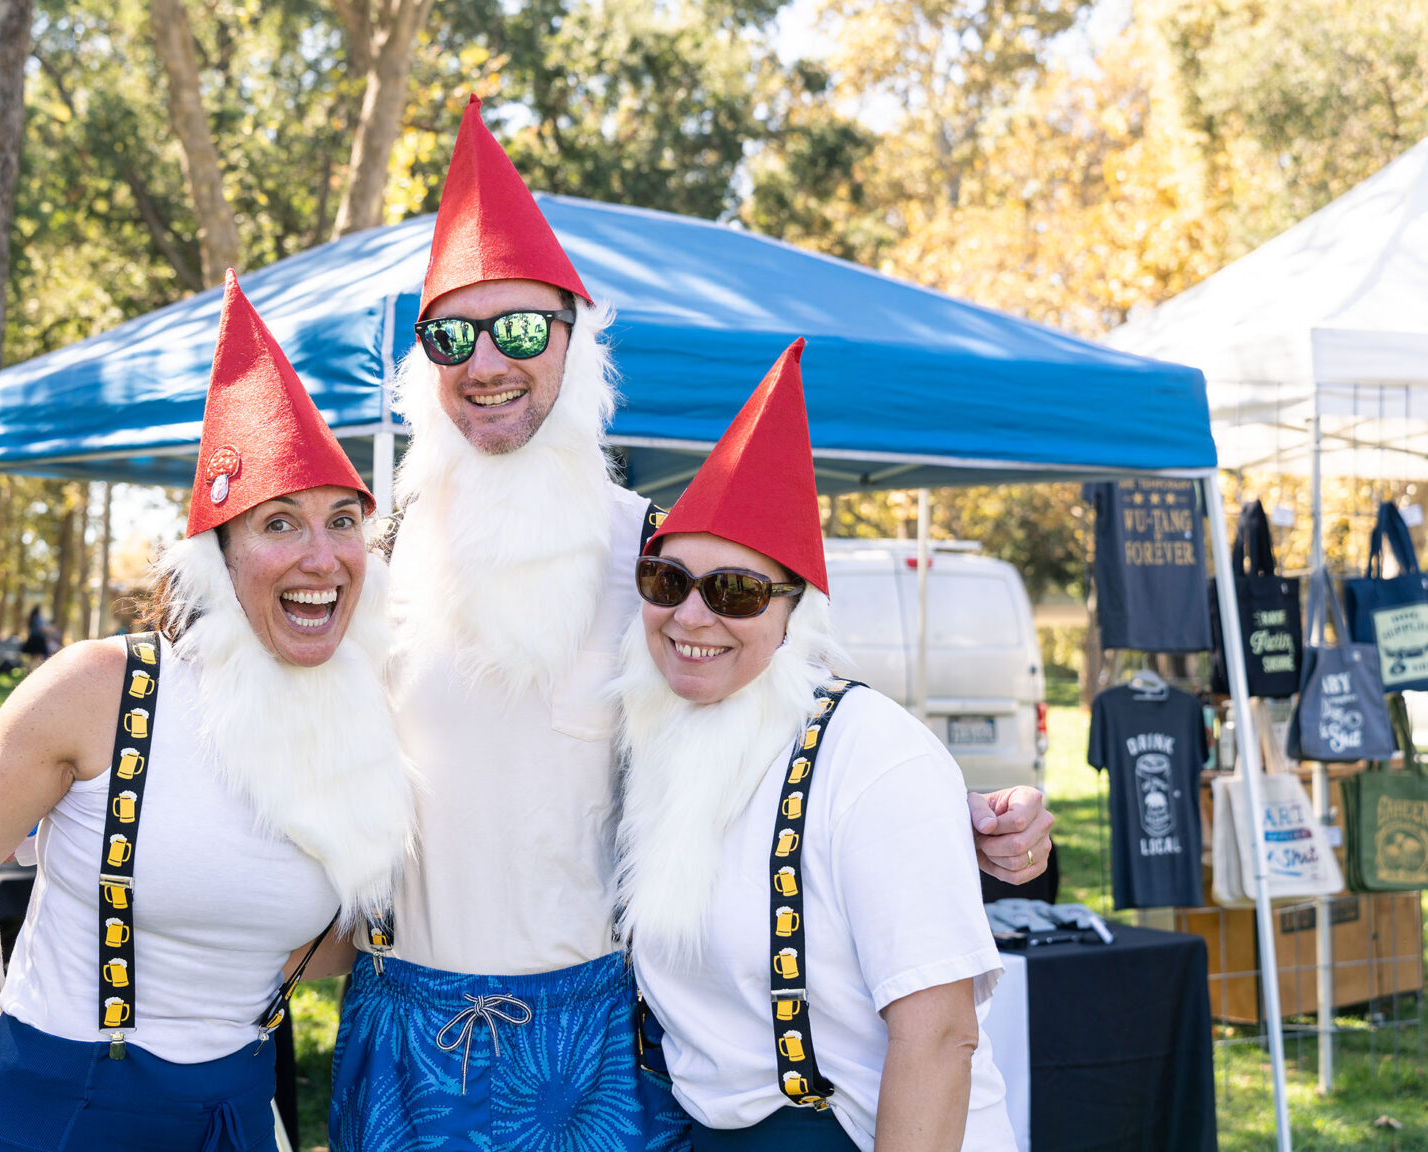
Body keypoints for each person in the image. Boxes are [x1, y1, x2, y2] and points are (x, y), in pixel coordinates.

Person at [331, 98, 1053, 1152]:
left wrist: (992, 831)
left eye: (520, 328)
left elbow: (798, 728)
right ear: (423, 362)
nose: (486, 361)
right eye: (452, 334)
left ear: (575, 350)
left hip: (607, 1048)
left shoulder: (662, 566)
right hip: (404, 1035)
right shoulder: (369, 572)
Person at [0, 274, 415, 1152]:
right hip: (59, 1114)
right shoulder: (103, 689)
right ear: (216, 557)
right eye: (279, 524)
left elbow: (331, 946)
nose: (322, 556)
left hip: (236, 1115)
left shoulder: (368, 719)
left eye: (343, 521)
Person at [618, 341, 1013, 1151]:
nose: (692, 616)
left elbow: (940, 1038)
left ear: (796, 616)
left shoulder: (874, 759)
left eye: (735, 591)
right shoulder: (653, 741)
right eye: (667, 580)